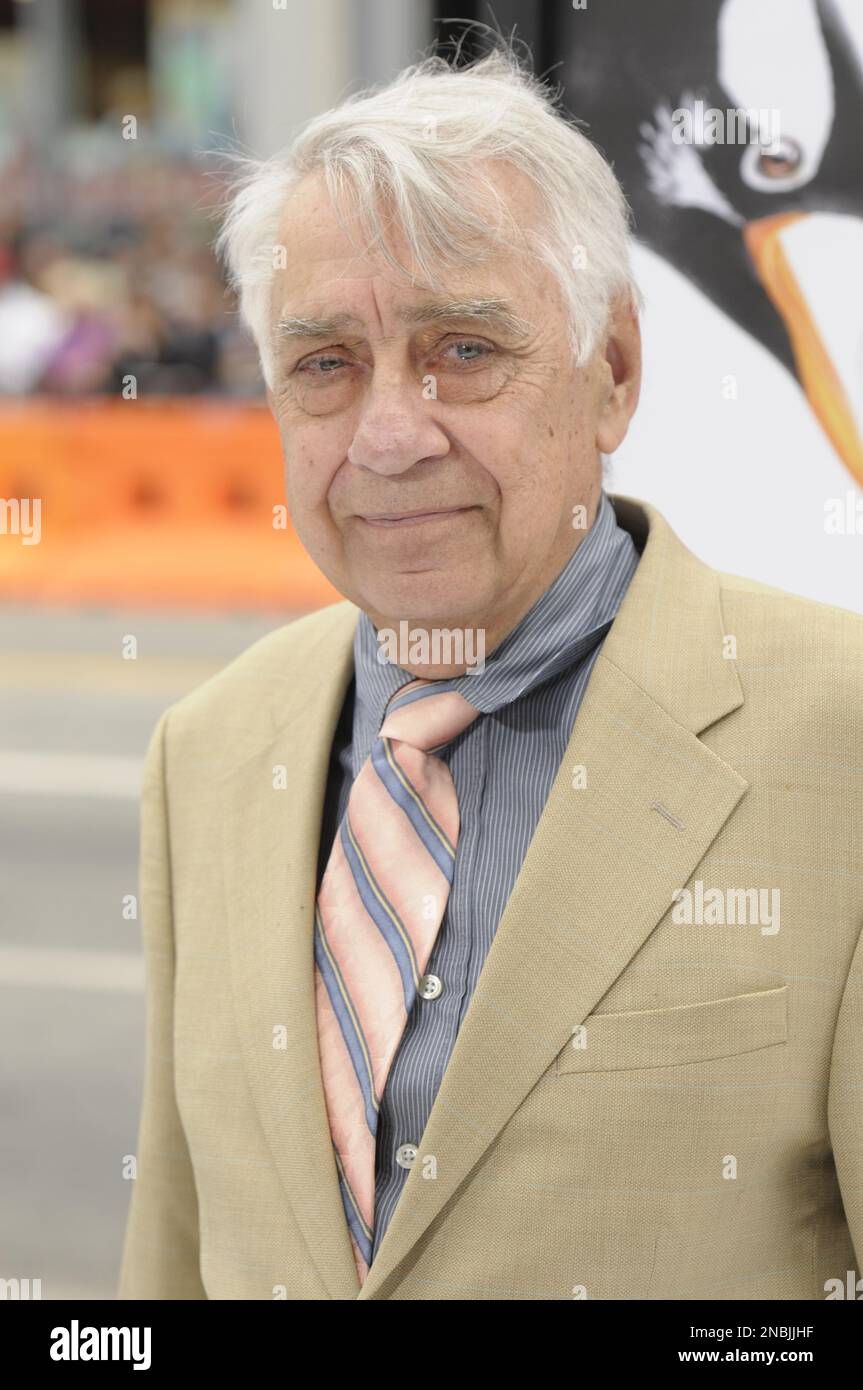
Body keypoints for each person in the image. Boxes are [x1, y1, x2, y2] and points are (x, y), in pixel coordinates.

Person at [118, 45, 863, 1301]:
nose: (391, 435)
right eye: (324, 365)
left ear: (612, 371)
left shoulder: (836, 735)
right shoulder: (205, 752)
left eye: (462, 349)